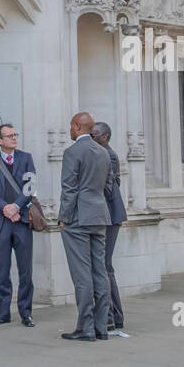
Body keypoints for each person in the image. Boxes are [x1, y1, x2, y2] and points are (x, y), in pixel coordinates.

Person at [57, 110, 113, 341]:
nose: (70, 130)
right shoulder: (103, 152)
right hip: (99, 216)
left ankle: (86, 328)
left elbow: (69, 188)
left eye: (71, 126)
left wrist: (64, 216)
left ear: (77, 127)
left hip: (78, 218)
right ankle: (102, 327)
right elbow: (107, 184)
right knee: (100, 272)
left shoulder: (72, 152)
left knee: (82, 275)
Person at [0, 124, 36, 327]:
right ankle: (3, 312)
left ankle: (26, 313)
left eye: (15, 134)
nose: (14, 138)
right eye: (9, 135)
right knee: (2, 270)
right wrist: (5, 208)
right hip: (0, 223)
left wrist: (16, 206)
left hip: (21, 222)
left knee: (25, 271)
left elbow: (30, 186)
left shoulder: (26, 158)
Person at [92, 121, 128, 337]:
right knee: (105, 266)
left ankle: (112, 316)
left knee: (104, 265)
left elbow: (106, 188)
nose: (92, 136)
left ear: (104, 137)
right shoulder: (102, 152)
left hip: (109, 216)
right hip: (107, 214)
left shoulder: (108, 155)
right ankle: (114, 316)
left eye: (95, 134)